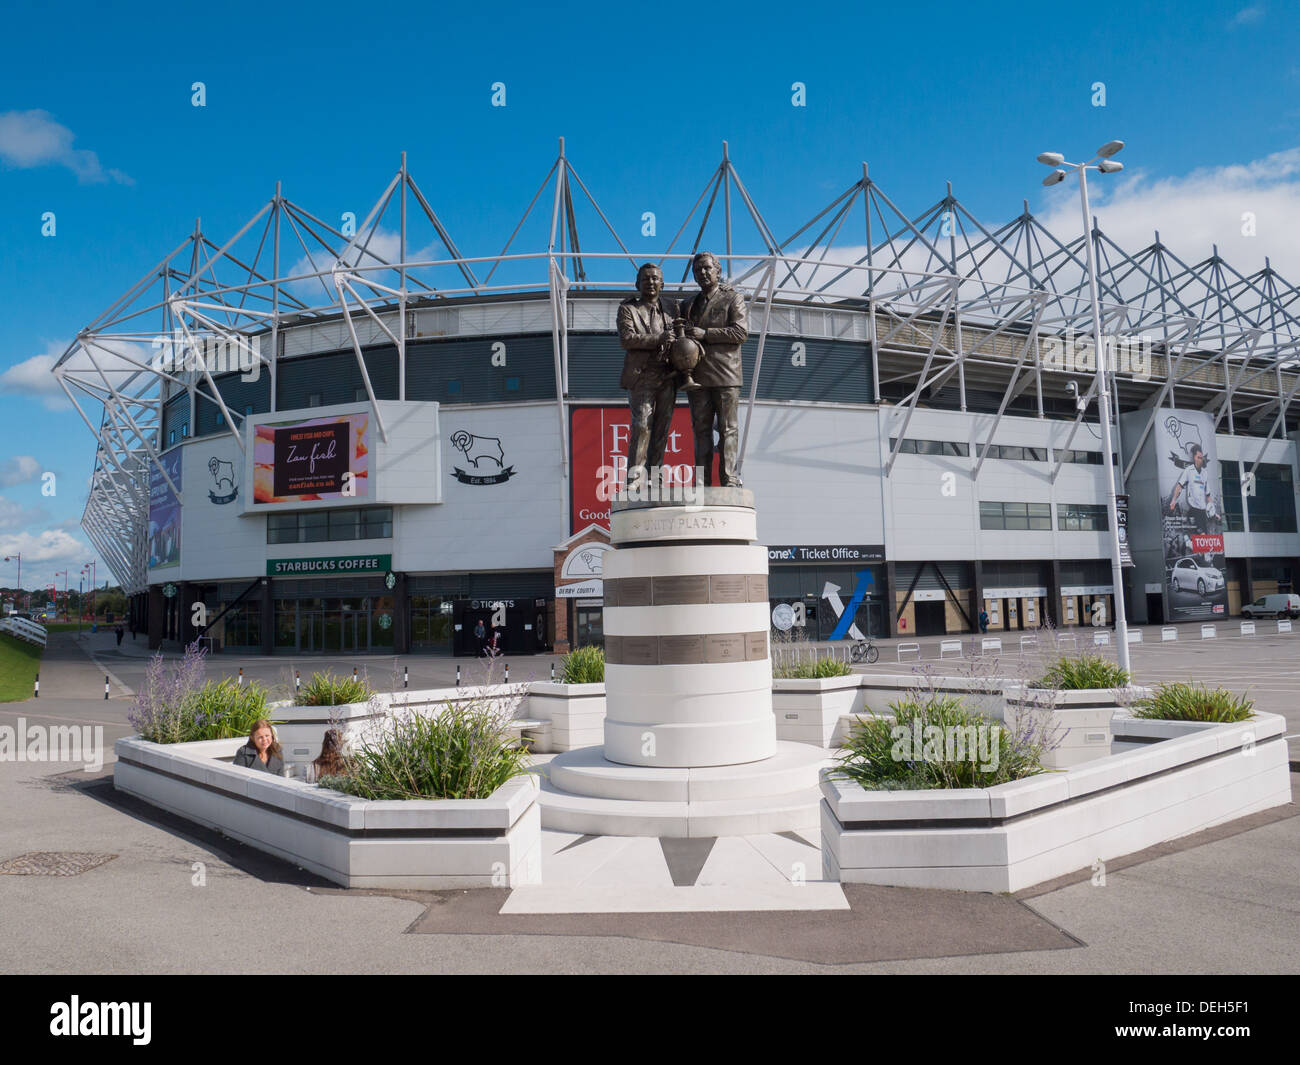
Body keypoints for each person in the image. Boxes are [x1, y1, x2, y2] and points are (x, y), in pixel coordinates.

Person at [681, 251, 748, 487]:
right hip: (697, 375)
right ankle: (702, 482)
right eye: (698, 270)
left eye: (707, 268)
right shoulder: (688, 304)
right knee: (701, 430)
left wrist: (705, 334)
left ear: (718, 271)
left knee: (729, 428)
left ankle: (729, 478)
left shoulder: (733, 299)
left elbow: (740, 333)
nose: (703, 273)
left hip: (726, 374)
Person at [617, 263, 679, 490]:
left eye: (655, 278)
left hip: (668, 375)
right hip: (642, 376)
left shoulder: (673, 308)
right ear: (637, 284)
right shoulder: (628, 309)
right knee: (642, 425)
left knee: (662, 428)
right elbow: (627, 339)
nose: (651, 282)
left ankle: (656, 478)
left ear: (662, 283)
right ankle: (633, 480)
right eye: (646, 279)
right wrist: (659, 339)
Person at [1168, 444, 1214, 534]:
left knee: (1205, 539)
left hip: (1203, 510)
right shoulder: (1189, 471)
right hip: (1193, 508)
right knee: (1201, 534)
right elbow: (1179, 486)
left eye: (1202, 458)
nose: (1201, 460)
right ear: (1194, 458)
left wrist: (1213, 510)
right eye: (1198, 457)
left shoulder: (1205, 473)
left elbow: (1208, 494)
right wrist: (1173, 500)